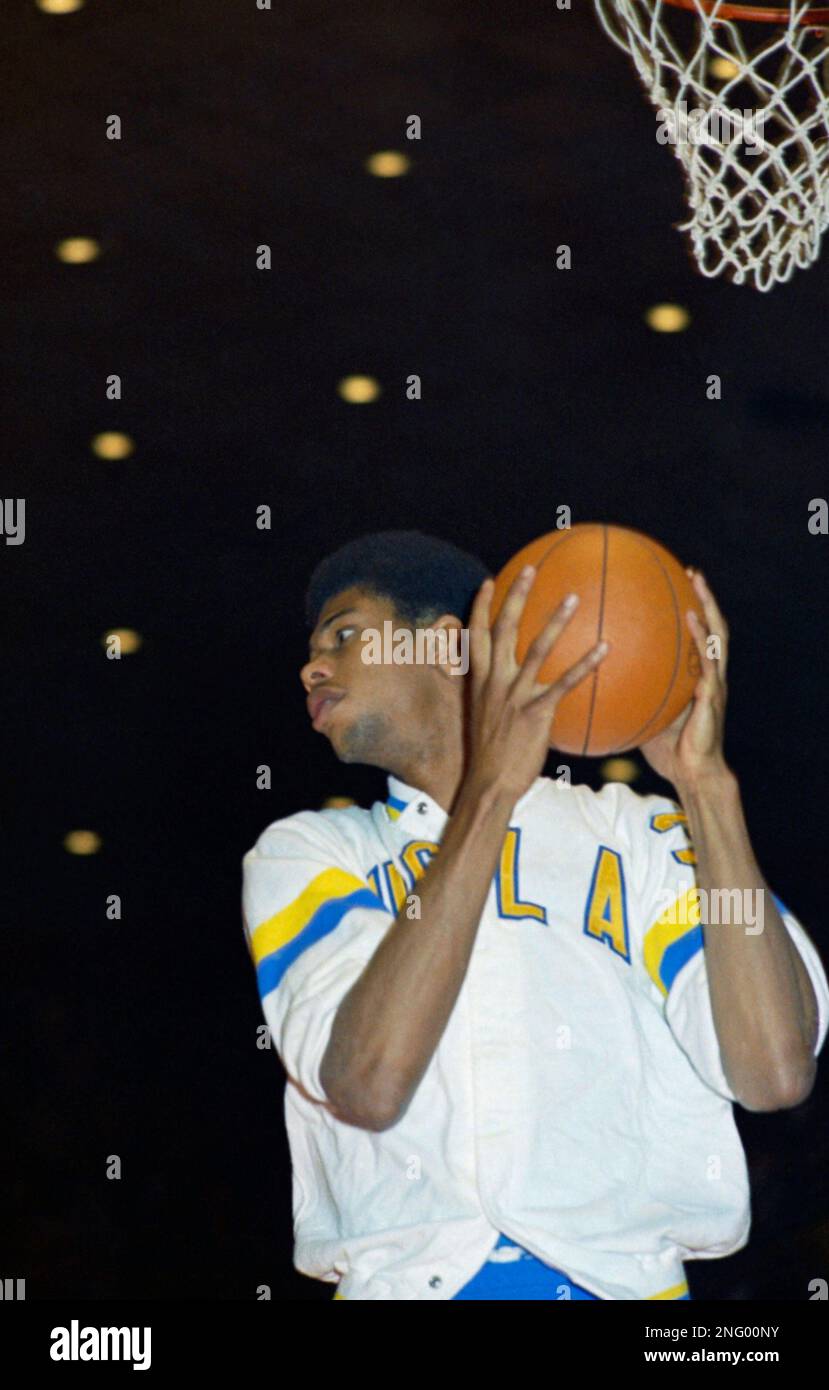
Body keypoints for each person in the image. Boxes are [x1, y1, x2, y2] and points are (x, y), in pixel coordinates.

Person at [242, 529, 828, 1301]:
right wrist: (491, 792)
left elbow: (774, 1070)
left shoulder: (640, 834)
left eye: (345, 634)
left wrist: (706, 790)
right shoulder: (307, 854)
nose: (312, 666)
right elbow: (370, 1082)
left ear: (450, 646)